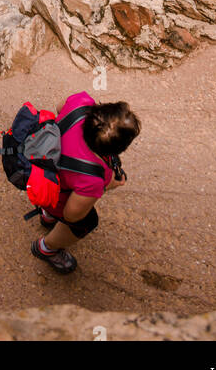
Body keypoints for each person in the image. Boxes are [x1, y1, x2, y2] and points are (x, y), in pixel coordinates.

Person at [32, 97, 140, 274]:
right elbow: (72, 214)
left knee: (59, 197)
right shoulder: (93, 179)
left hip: (41, 171)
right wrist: (108, 185)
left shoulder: (80, 103)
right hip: (54, 194)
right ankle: (47, 248)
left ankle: (48, 216)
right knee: (87, 222)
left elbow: (59, 107)